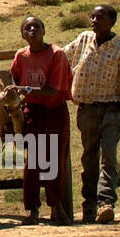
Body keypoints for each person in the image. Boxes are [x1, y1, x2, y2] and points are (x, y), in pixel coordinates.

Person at [64, 4, 120, 224]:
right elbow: (61, 57)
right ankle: (89, 206)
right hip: (86, 110)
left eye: (100, 17)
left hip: (110, 110)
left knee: (109, 158)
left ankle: (106, 203)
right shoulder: (84, 39)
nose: (94, 20)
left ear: (111, 21)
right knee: (89, 159)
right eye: (93, 17)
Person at [10, 16, 73, 226]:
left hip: (55, 110)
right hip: (33, 112)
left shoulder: (57, 55)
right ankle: (33, 209)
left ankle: (56, 206)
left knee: (56, 158)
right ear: (23, 34)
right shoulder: (21, 56)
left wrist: (24, 90)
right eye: (27, 28)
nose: (32, 30)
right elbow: (15, 77)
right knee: (33, 160)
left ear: (44, 31)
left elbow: (53, 90)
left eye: (37, 26)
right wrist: (19, 94)